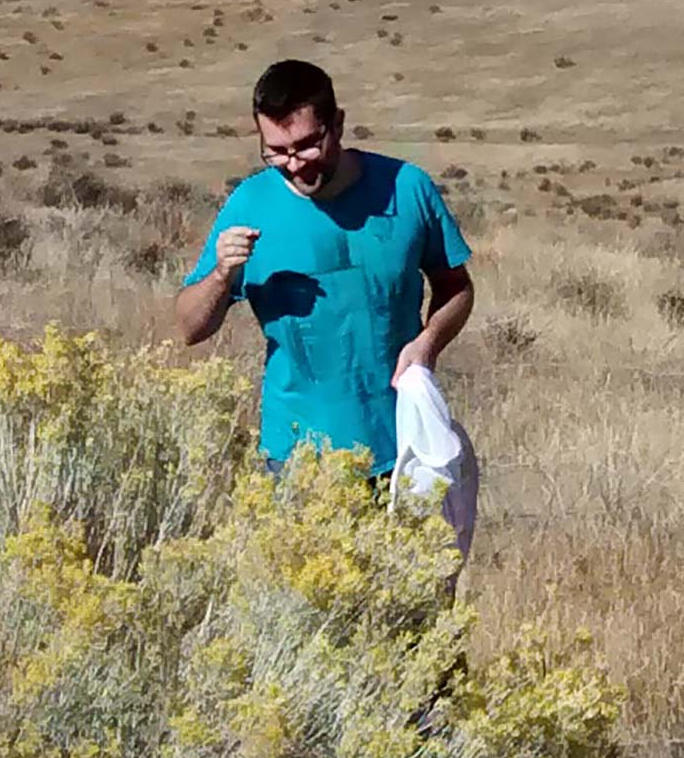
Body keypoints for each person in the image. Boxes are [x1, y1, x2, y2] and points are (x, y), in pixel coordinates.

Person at [177, 60, 475, 478]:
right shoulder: (249, 204)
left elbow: (457, 288)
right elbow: (190, 328)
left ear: (337, 123)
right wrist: (222, 274)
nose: (295, 164)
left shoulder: (407, 187)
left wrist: (428, 344)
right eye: (276, 151)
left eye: (307, 146)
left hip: (404, 448)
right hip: (296, 459)